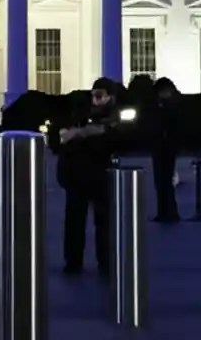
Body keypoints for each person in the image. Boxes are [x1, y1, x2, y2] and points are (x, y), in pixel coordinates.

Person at [52, 77, 122, 275]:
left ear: (110, 97)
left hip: (98, 174)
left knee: (102, 222)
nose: (95, 99)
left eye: (99, 96)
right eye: (93, 95)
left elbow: (112, 139)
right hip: (78, 175)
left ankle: (104, 261)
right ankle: (75, 261)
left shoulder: (111, 117)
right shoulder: (82, 114)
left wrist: (80, 134)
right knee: (76, 221)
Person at [149, 77, 182, 223]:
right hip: (167, 146)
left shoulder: (164, 106)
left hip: (163, 146)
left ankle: (165, 211)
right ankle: (168, 211)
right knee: (165, 181)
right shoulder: (173, 104)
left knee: (163, 180)